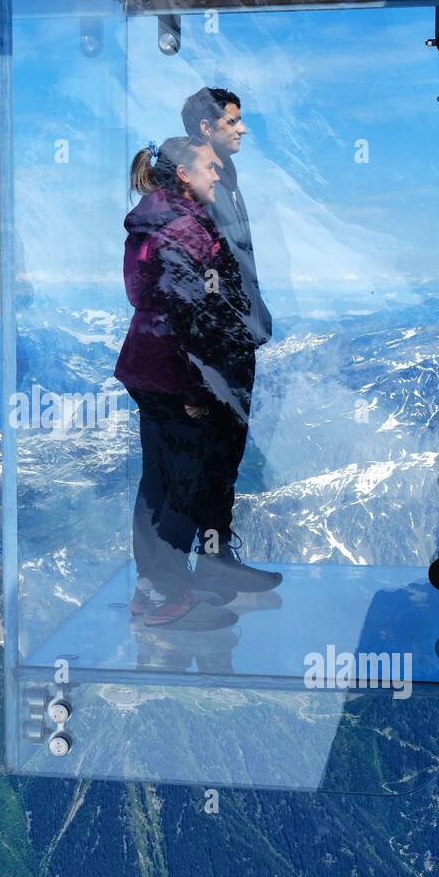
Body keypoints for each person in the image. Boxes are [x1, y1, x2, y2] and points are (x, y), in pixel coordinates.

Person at [114, 136, 278, 629]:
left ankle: (148, 590)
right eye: (209, 168)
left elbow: (148, 297)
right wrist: (197, 390)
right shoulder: (186, 228)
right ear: (184, 174)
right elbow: (187, 313)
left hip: (144, 363)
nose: (217, 176)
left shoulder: (151, 217)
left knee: (157, 482)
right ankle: (170, 595)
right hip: (174, 372)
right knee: (185, 484)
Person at [180, 86, 279, 589]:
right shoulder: (196, 181)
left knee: (227, 449)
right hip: (217, 343)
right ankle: (208, 566)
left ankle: (215, 559)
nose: (242, 129)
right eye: (232, 122)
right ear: (206, 127)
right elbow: (202, 275)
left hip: (233, 337)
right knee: (216, 451)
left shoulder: (224, 175)